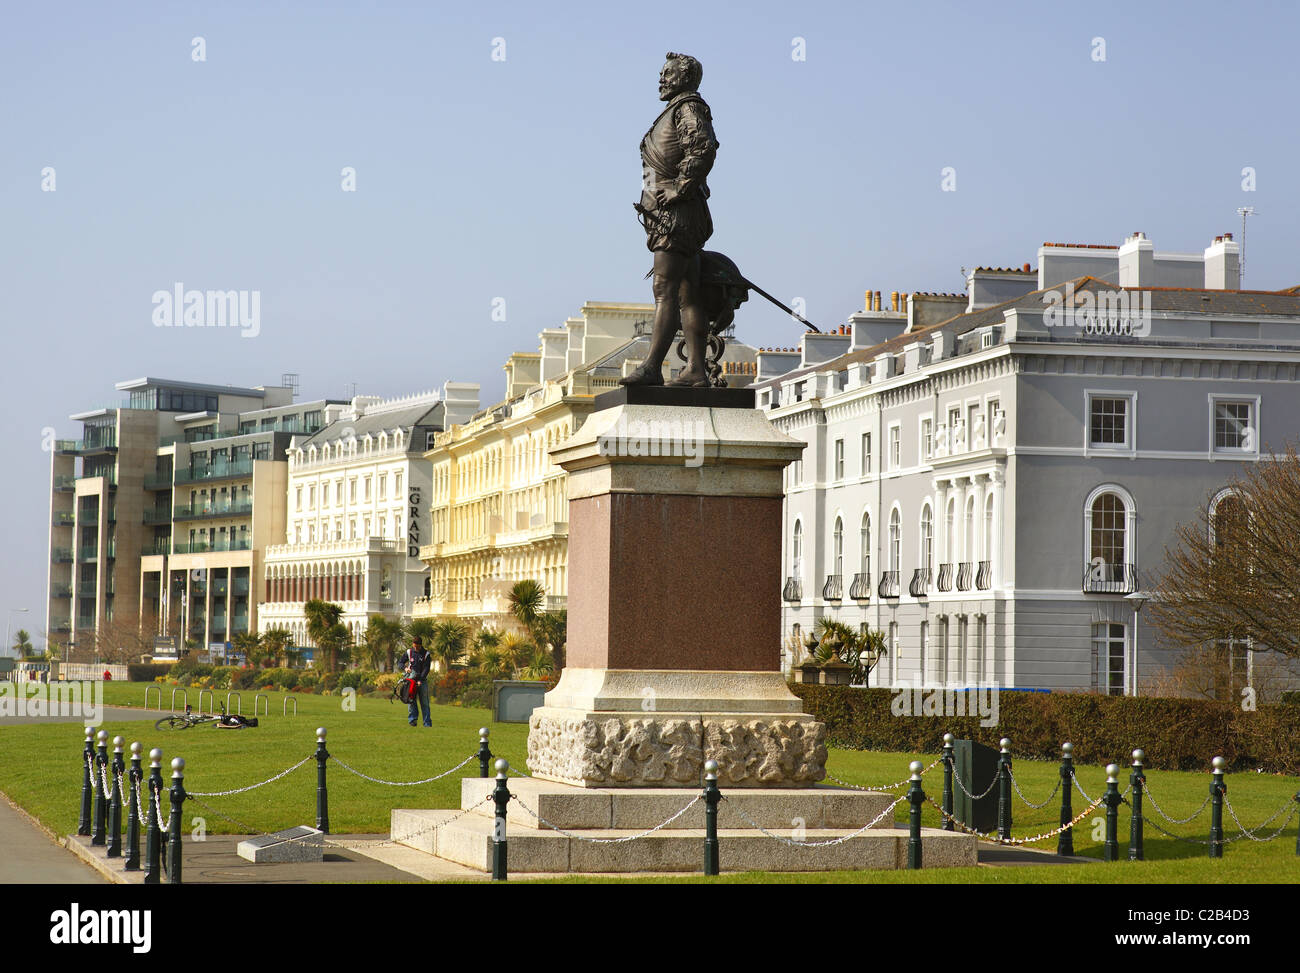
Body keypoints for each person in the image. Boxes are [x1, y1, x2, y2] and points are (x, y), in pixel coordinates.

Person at [622, 52, 720, 389]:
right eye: (661, 73)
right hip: (670, 213)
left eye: (668, 74)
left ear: (685, 78)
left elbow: (703, 148)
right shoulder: (676, 109)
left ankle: (652, 367)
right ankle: (695, 369)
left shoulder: (688, 108)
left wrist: (679, 188)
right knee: (686, 291)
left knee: (664, 288)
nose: (661, 79)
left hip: (675, 215)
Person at [402, 636, 432, 728]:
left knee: (424, 702)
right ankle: (412, 720)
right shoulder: (409, 652)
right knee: (411, 700)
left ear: (420, 645)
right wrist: (405, 668)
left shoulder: (426, 654)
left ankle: (427, 723)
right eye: (414, 646)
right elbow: (400, 662)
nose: (416, 648)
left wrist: (420, 680)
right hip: (411, 680)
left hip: (421, 681)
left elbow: (426, 669)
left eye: (417, 647)